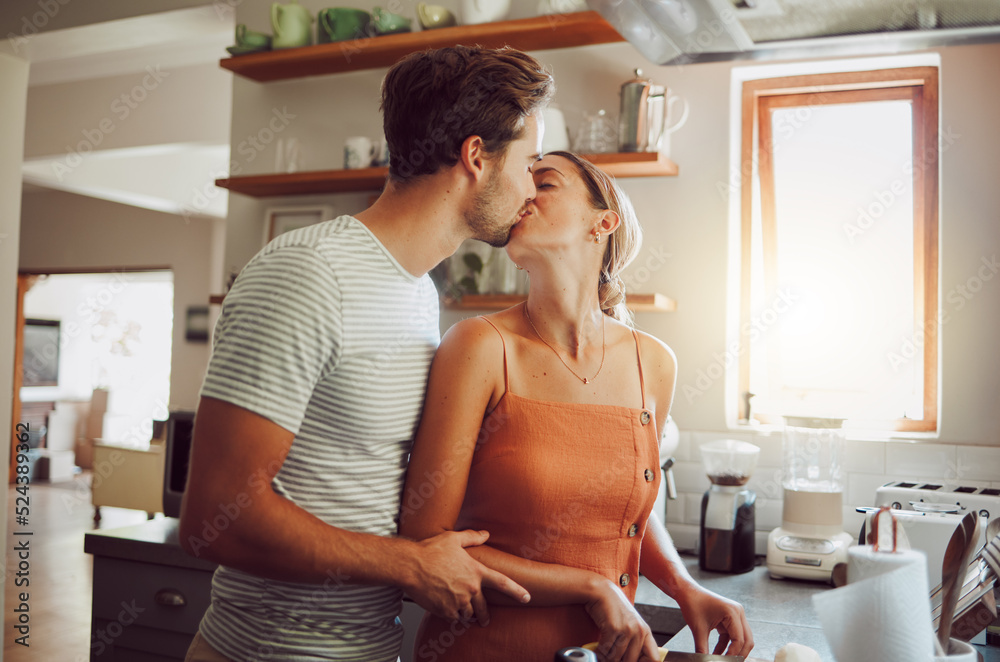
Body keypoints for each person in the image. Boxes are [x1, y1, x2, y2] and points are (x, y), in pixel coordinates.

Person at [178, 46, 554, 662]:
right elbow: (213, 517)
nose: (532, 187)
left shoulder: (418, 292)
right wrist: (410, 565)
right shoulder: (307, 273)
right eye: (530, 162)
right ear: (476, 157)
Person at [400, 151, 754, 662]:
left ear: (602, 223)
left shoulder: (652, 363)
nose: (524, 192)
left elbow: (628, 510)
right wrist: (593, 587)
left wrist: (684, 586)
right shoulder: (479, 346)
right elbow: (425, 538)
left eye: (545, 182)